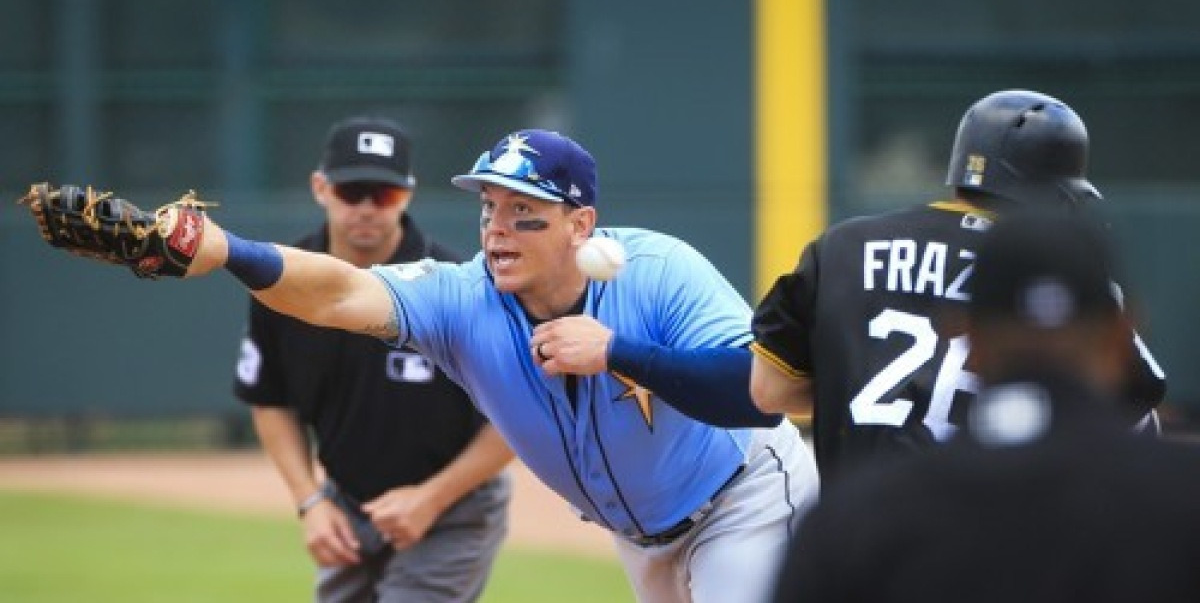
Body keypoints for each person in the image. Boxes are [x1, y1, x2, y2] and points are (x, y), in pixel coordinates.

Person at [68, 129, 820, 603]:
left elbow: (758, 398)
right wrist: (228, 251)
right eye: (489, 207)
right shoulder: (461, 296)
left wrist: (617, 350)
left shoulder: (659, 271)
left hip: (742, 499)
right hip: (639, 535)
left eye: (523, 210)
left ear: (580, 224)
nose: (497, 228)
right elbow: (339, 294)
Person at [772, 211, 1200, 603]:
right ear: (1121, 337)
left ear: (967, 339)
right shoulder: (1182, 500)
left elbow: (766, 391)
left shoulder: (853, 521)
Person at [748, 89, 1166, 485]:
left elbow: (769, 392)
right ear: (1052, 193)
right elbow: (1135, 405)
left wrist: (863, 388)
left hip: (857, 525)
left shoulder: (841, 244)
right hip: (987, 524)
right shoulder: (1052, 269)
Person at [233, 116, 514, 603]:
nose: (366, 208)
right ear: (321, 188)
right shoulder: (282, 282)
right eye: (351, 191)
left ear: (407, 195)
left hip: (453, 507)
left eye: (383, 194)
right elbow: (270, 400)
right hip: (347, 502)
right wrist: (310, 501)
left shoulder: (454, 286)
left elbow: (516, 415)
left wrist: (432, 499)